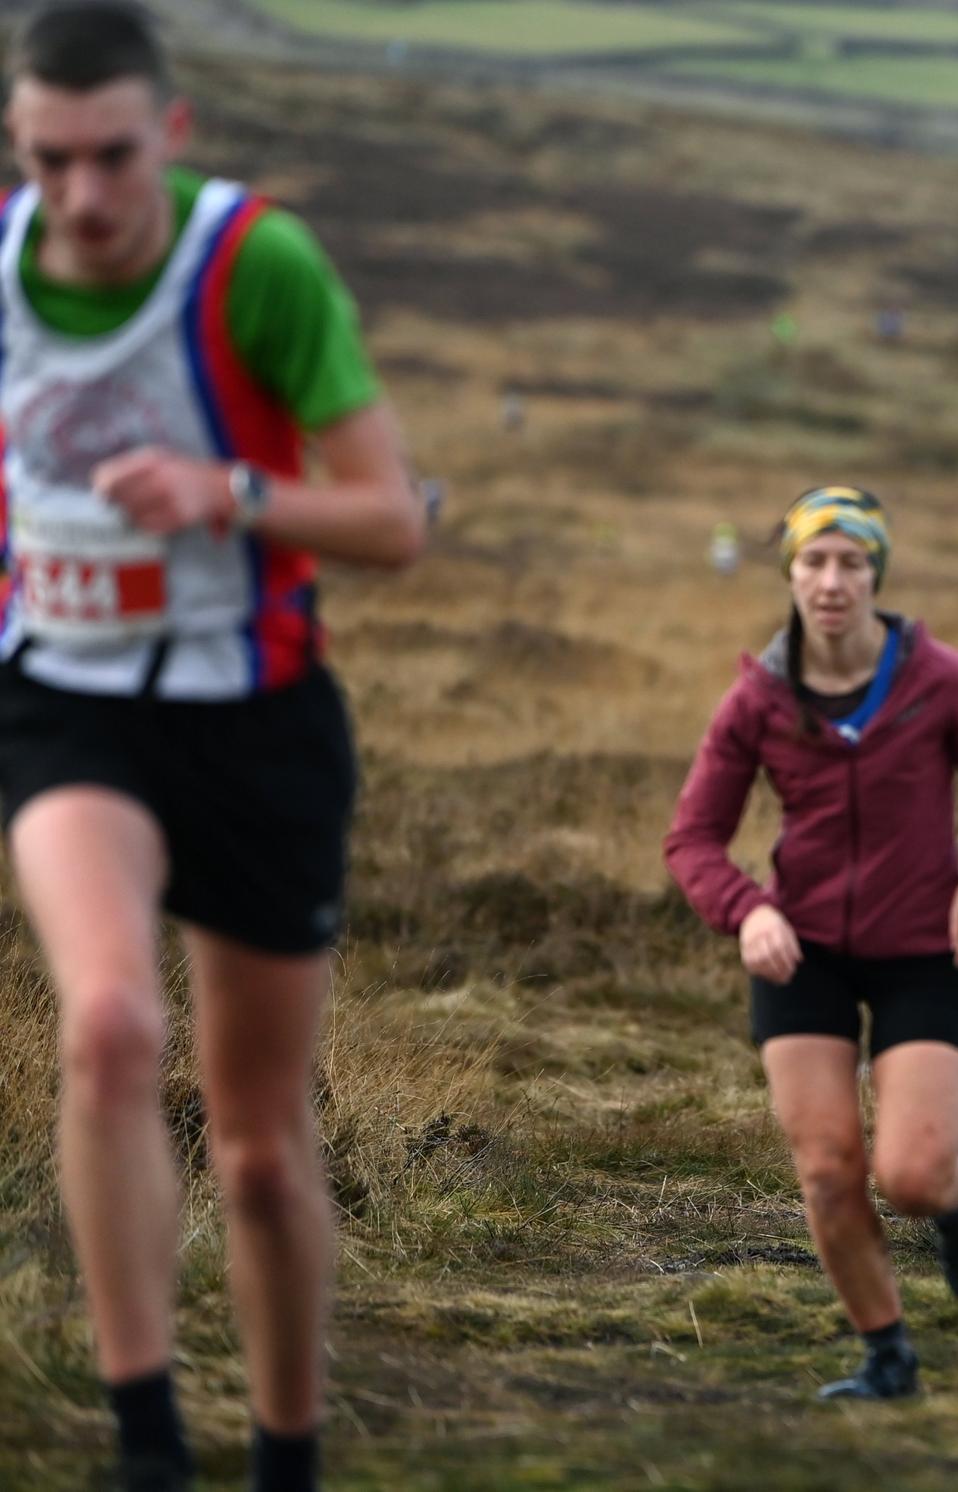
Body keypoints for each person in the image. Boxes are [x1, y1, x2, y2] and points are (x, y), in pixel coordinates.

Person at [0, 6, 425, 1489]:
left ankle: (286, 1449)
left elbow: (393, 520)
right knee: (110, 1028)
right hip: (68, 707)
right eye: (48, 160)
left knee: (254, 1144)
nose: (85, 198)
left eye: (114, 156)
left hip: (255, 721)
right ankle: (145, 1442)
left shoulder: (256, 268)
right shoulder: (2, 269)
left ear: (168, 136)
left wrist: (229, 491)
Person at [664, 486, 958, 1401]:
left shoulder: (943, 678)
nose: (831, 581)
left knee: (909, 1173)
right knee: (830, 1172)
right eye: (813, 562)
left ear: (876, 574)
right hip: (803, 951)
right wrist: (747, 910)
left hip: (921, 945)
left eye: (851, 563)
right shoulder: (757, 697)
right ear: (790, 574)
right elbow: (693, 839)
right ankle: (887, 1356)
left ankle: (956, 1207)